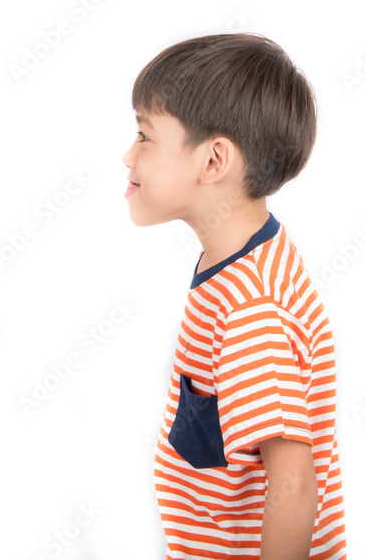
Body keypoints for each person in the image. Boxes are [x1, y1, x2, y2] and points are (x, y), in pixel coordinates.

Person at [123, 33, 346, 559]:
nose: (128, 155)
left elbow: (294, 485)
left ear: (213, 161)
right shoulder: (245, 253)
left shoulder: (251, 310)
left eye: (145, 136)